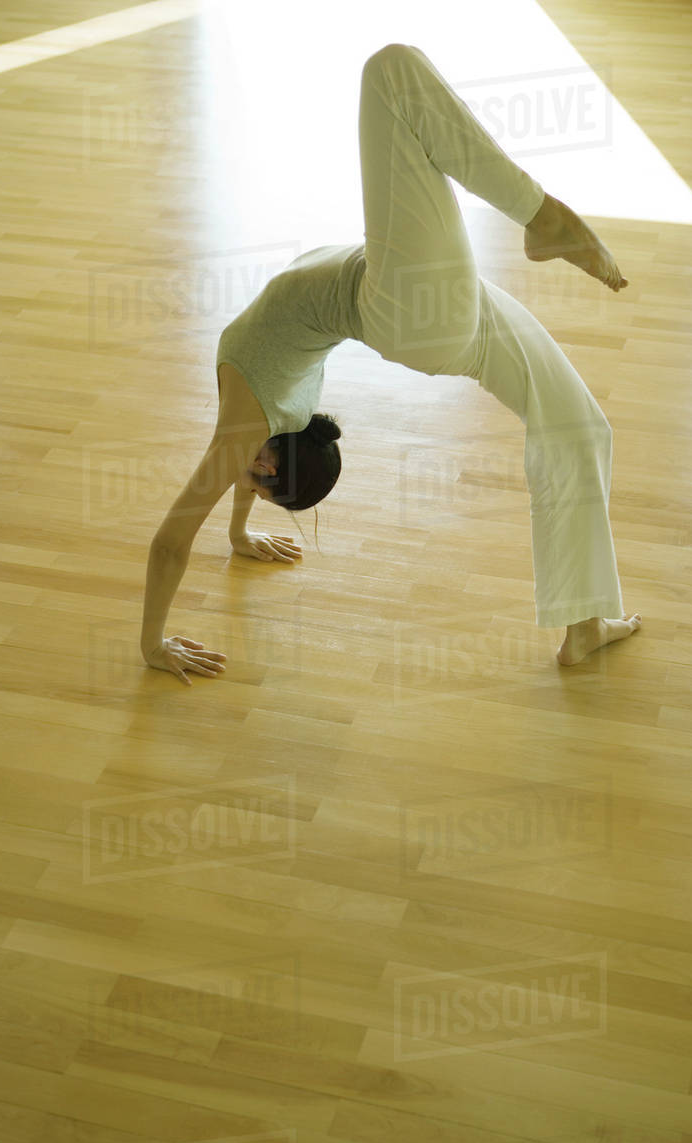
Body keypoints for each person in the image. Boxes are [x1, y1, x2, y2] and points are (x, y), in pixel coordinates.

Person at [141, 42, 642, 686]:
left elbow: (210, 501)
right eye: (259, 491)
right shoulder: (253, 420)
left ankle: (586, 624)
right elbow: (175, 535)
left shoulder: (256, 424)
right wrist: (154, 642)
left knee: (578, 423)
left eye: (256, 493)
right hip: (408, 307)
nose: (247, 486)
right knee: (390, 73)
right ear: (267, 461)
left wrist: (238, 537)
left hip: (433, 314)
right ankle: (542, 216)